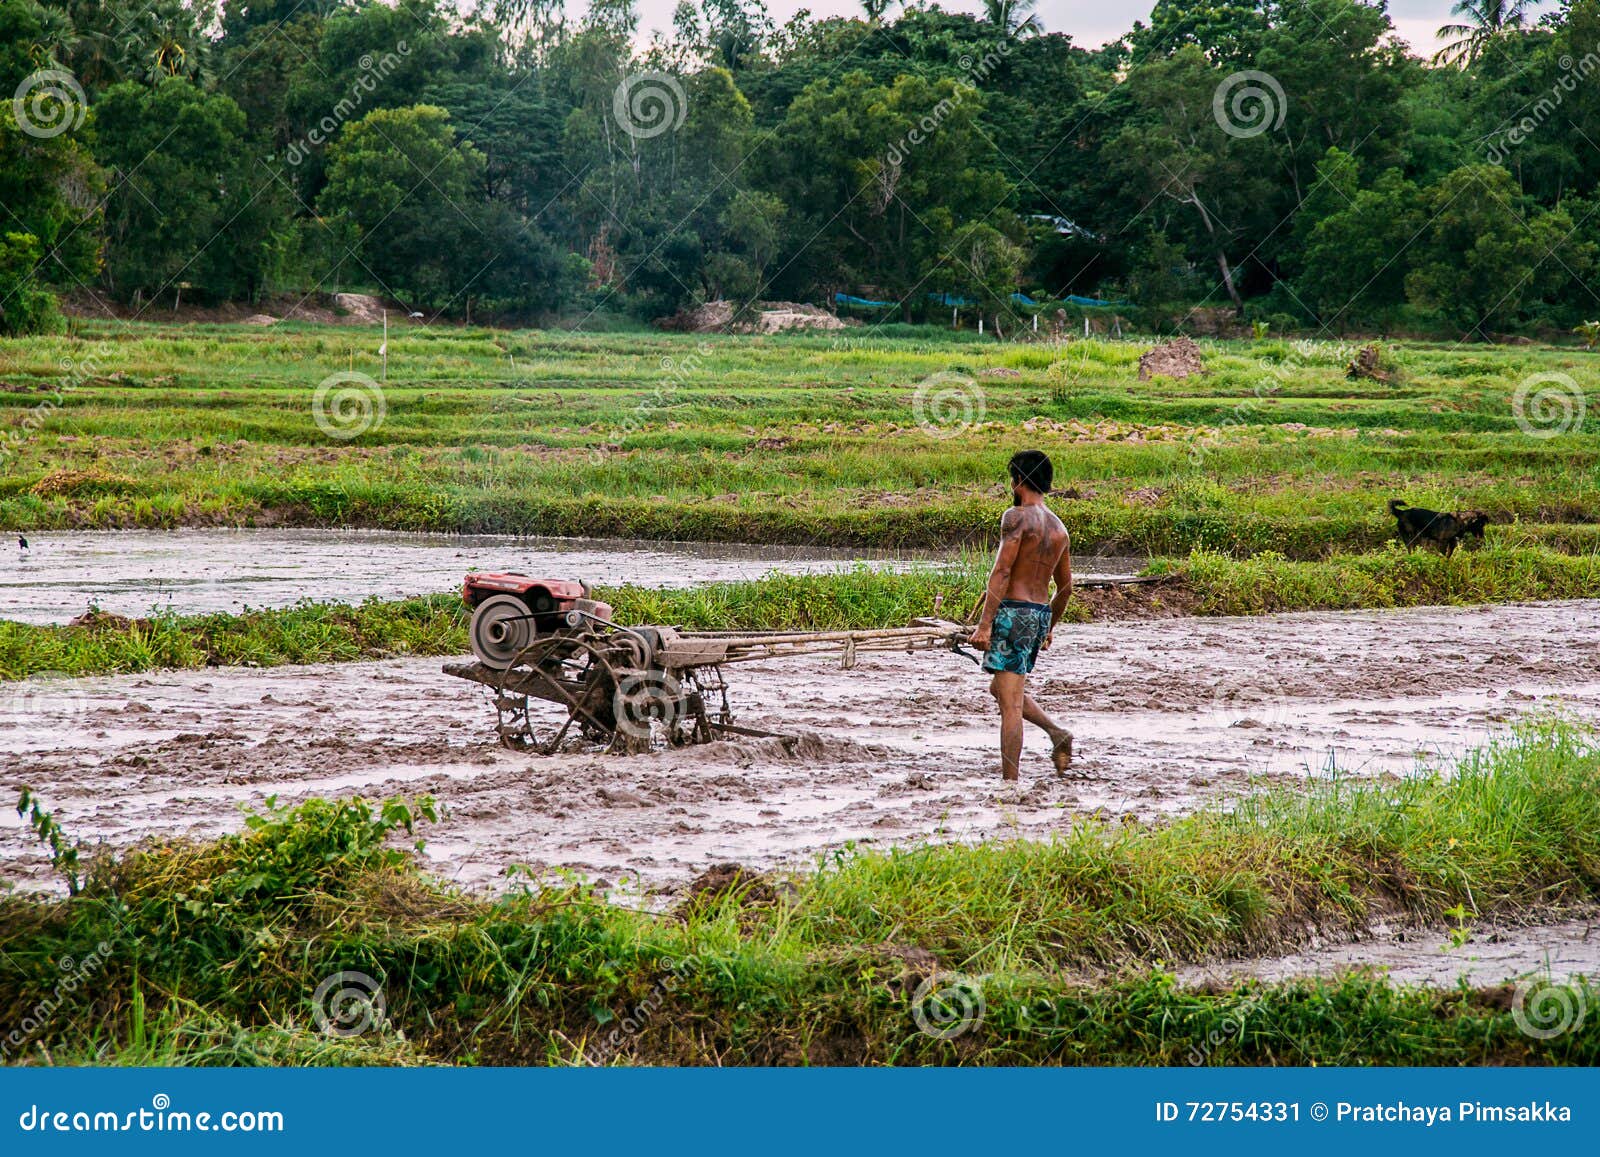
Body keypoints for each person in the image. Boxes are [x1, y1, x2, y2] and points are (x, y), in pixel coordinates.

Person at [967, 449, 1074, 781]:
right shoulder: (1059, 529)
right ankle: (1056, 733)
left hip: (1013, 614)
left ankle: (1010, 785)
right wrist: (1048, 627)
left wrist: (985, 626)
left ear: (1018, 480)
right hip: (1039, 613)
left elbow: (1001, 572)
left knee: (1009, 706)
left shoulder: (1015, 517)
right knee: (1000, 690)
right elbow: (1066, 588)